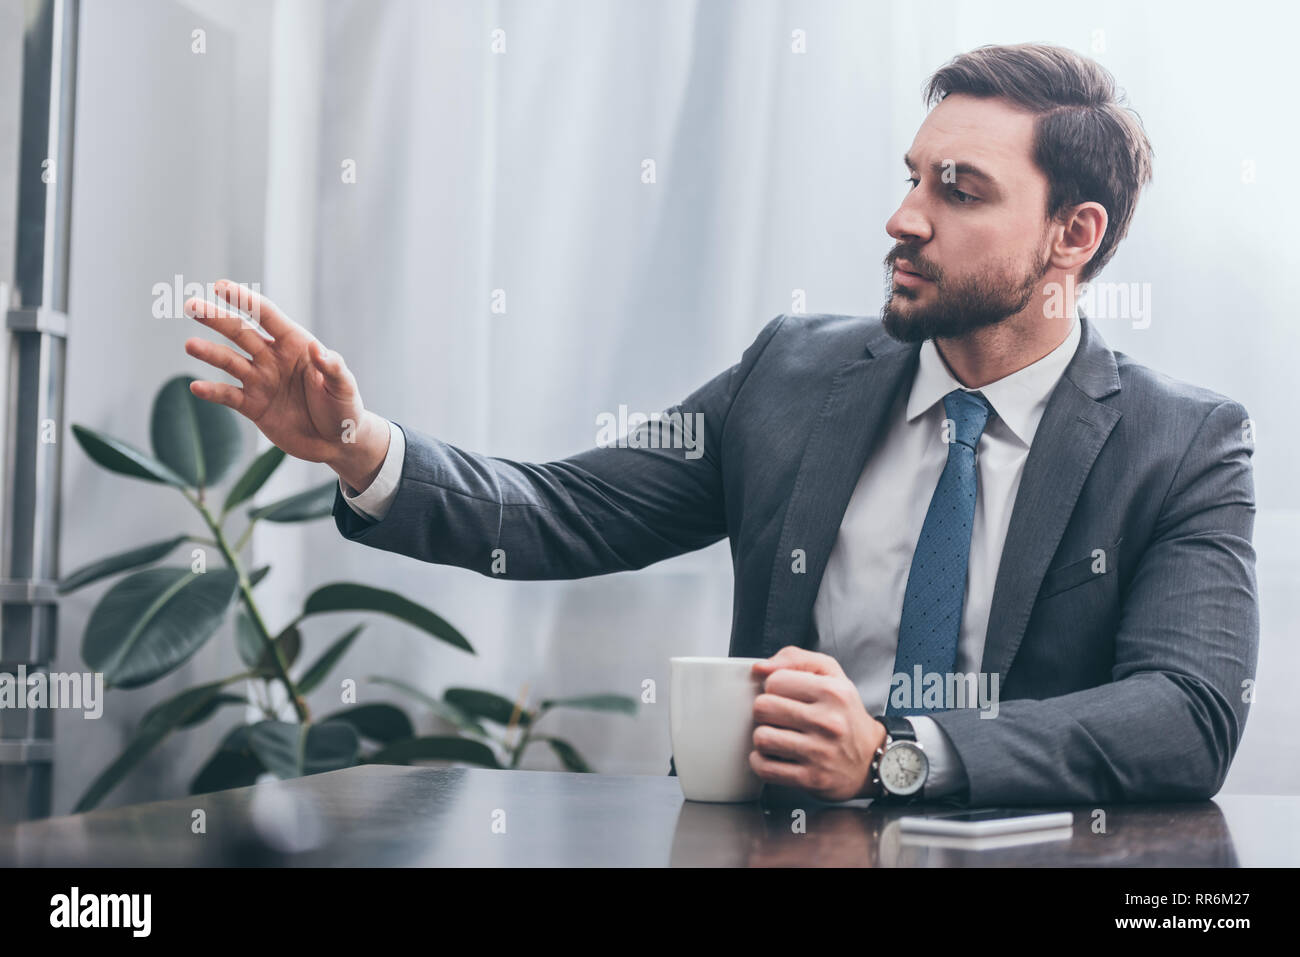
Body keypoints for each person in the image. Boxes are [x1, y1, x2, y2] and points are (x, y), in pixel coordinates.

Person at [183, 43, 1258, 807]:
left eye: (959, 190)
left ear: (1072, 234)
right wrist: (360, 447)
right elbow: (567, 512)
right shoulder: (792, 374)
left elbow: (1185, 714)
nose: (904, 216)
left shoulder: (1183, 444)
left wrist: (899, 752)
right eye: (911, 177)